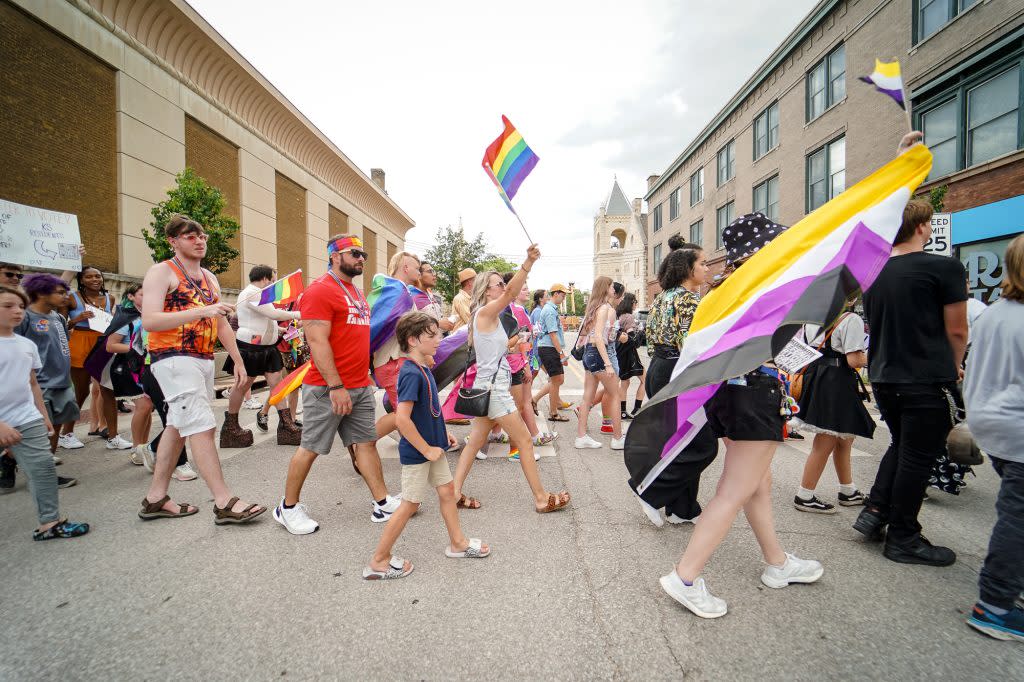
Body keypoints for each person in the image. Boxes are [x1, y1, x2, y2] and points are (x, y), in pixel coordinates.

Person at [660, 213, 823, 619]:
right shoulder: (768, 289)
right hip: (755, 398)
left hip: (731, 396)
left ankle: (777, 562)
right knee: (735, 490)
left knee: (758, 484)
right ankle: (685, 576)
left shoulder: (725, 292)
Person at [854, 198, 968, 566]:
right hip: (925, 376)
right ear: (921, 227)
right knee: (918, 457)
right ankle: (904, 536)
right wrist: (955, 366)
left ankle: (874, 511)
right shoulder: (944, 268)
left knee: (902, 446)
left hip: (886, 375)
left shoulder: (873, 275)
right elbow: (957, 330)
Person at [139, 214, 265, 525]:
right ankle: (224, 501)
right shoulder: (161, 272)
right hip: (171, 356)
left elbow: (220, 321)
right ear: (173, 241)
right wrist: (203, 310)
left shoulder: (209, 277)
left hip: (203, 357)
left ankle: (155, 498)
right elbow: (150, 320)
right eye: (189, 236)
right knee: (201, 426)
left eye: (202, 236)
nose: (199, 241)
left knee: (178, 426)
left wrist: (237, 359)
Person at [274, 234, 400, 533]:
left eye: (363, 255)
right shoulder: (320, 290)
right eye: (354, 253)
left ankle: (381, 503)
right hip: (328, 388)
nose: (360, 259)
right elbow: (317, 341)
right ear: (334, 256)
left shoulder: (354, 292)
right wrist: (335, 386)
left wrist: (363, 376)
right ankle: (287, 507)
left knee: (366, 444)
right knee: (311, 447)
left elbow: (354, 339)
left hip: (358, 384)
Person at [364, 312, 489, 579]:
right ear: (412, 340)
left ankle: (458, 543)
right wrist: (426, 449)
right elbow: (402, 419)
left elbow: (430, 409)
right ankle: (379, 560)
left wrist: (443, 436)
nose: (439, 339)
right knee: (409, 504)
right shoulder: (410, 373)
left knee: (446, 493)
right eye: (431, 335)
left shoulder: (423, 369)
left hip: (433, 449)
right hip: (419, 453)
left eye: (438, 334)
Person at [452, 248, 571, 513]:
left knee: (474, 442)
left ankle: (454, 491)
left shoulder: (486, 317)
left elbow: (494, 350)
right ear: (487, 291)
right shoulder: (484, 313)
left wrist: (513, 347)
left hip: (490, 387)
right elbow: (509, 295)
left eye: (504, 284)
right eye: (500, 285)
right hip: (495, 392)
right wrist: (528, 262)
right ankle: (541, 498)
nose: (504, 288)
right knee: (525, 441)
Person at [962, 233, 1024, 641]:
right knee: (1017, 516)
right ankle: (996, 604)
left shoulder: (994, 313)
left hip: (991, 422)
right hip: (1016, 425)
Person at [632, 246, 716, 527]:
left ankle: (683, 508)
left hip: (659, 367)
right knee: (701, 443)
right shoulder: (691, 301)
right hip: (679, 371)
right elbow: (692, 346)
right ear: (687, 269)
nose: (708, 268)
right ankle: (651, 492)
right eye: (703, 264)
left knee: (677, 439)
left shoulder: (661, 298)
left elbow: (651, 340)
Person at [0, 284, 89, 540]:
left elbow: (32, 383)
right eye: (8, 306)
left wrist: (43, 416)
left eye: (19, 306)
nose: (17, 311)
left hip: (26, 418)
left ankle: (50, 524)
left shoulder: (25, 344)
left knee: (43, 469)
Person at [791, 300, 874, 513]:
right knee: (826, 440)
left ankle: (848, 490)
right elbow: (854, 360)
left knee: (844, 438)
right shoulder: (850, 319)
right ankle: (805, 495)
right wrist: (873, 356)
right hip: (836, 382)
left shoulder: (812, 317)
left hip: (817, 377)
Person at [223, 265, 302, 447]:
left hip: (267, 347)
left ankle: (286, 424)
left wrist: (279, 329)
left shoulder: (258, 294)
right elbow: (272, 313)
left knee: (277, 384)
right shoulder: (252, 293)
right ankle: (231, 427)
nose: (274, 284)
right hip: (251, 347)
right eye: (273, 281)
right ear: (265, 279)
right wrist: (298, 314)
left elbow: (266, 319)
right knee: (243, 385)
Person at [13, 275, 80, 488]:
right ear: (41, 293)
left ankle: (46, 469)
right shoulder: (25, 318)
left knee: (55, 429)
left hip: (62, 382)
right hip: (40, 384)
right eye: (60, 292)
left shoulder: (58, 318)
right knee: (40, 431)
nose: (65, 296)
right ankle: (26, 467)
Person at [372, 251, 424, 440]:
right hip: (393, 362)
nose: (420, 272)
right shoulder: (396, 291)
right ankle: (363, 444)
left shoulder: (399, 291)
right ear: (405, 268)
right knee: (405, 415)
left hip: (396, 361)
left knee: (406, 413)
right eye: (417, 268)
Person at [65, 265, 116, 446]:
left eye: (98, 276)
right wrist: (77, 319)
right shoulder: (72, 298)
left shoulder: (110, 298)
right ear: (81, 280)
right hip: (80, 342)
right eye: (89, 277)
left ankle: (113, 435)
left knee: (107, 389)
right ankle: (67, 433)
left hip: (102, 343)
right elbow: (62, 327)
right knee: (81, 391)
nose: (95, 280)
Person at [574, 276, 624, 450]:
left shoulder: (593, 308)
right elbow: (598, 338)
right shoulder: (604, 308)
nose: (613, 288)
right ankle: (617, 438)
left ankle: (581, 437)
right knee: (615, 395)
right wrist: (608, 363)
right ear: (605, 288)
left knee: (587, 397)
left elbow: (586, 334)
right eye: (611, 285)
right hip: (598, 354)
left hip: (589, 354)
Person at [531, 283, 571, 420]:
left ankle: (535, 400)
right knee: (556, 380)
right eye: (563, 295)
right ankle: (553, 413)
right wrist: (561, 354)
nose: (564, 298)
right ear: (556, 294)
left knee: (558, 380)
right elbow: (552, 334)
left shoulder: (551, 309)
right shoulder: (549, 310)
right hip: (548, 348)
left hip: (549, 348)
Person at [615, 292, 646, 420]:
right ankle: (637, 409)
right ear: (630, 303)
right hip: (629, 354)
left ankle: (622, 411)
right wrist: (641, 333)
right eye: (635, 302)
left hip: (620, 353)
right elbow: (632, 338)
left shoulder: (620, 316)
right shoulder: (629, 317)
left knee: (624, 382)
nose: (636, 304)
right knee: (645, 379)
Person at [418, 261, 452, 331]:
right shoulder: (411, 296)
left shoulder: (430, 295)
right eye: (430, 271)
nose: (434, 275)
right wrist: (438, 324)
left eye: (434, 271)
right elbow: (411, 326)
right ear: (419, 275)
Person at [450, 267, 476, 332]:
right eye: (476, 280)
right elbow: (470, 320)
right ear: (470, 282)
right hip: (461, 340)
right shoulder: (460, 298)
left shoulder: (471, 298)